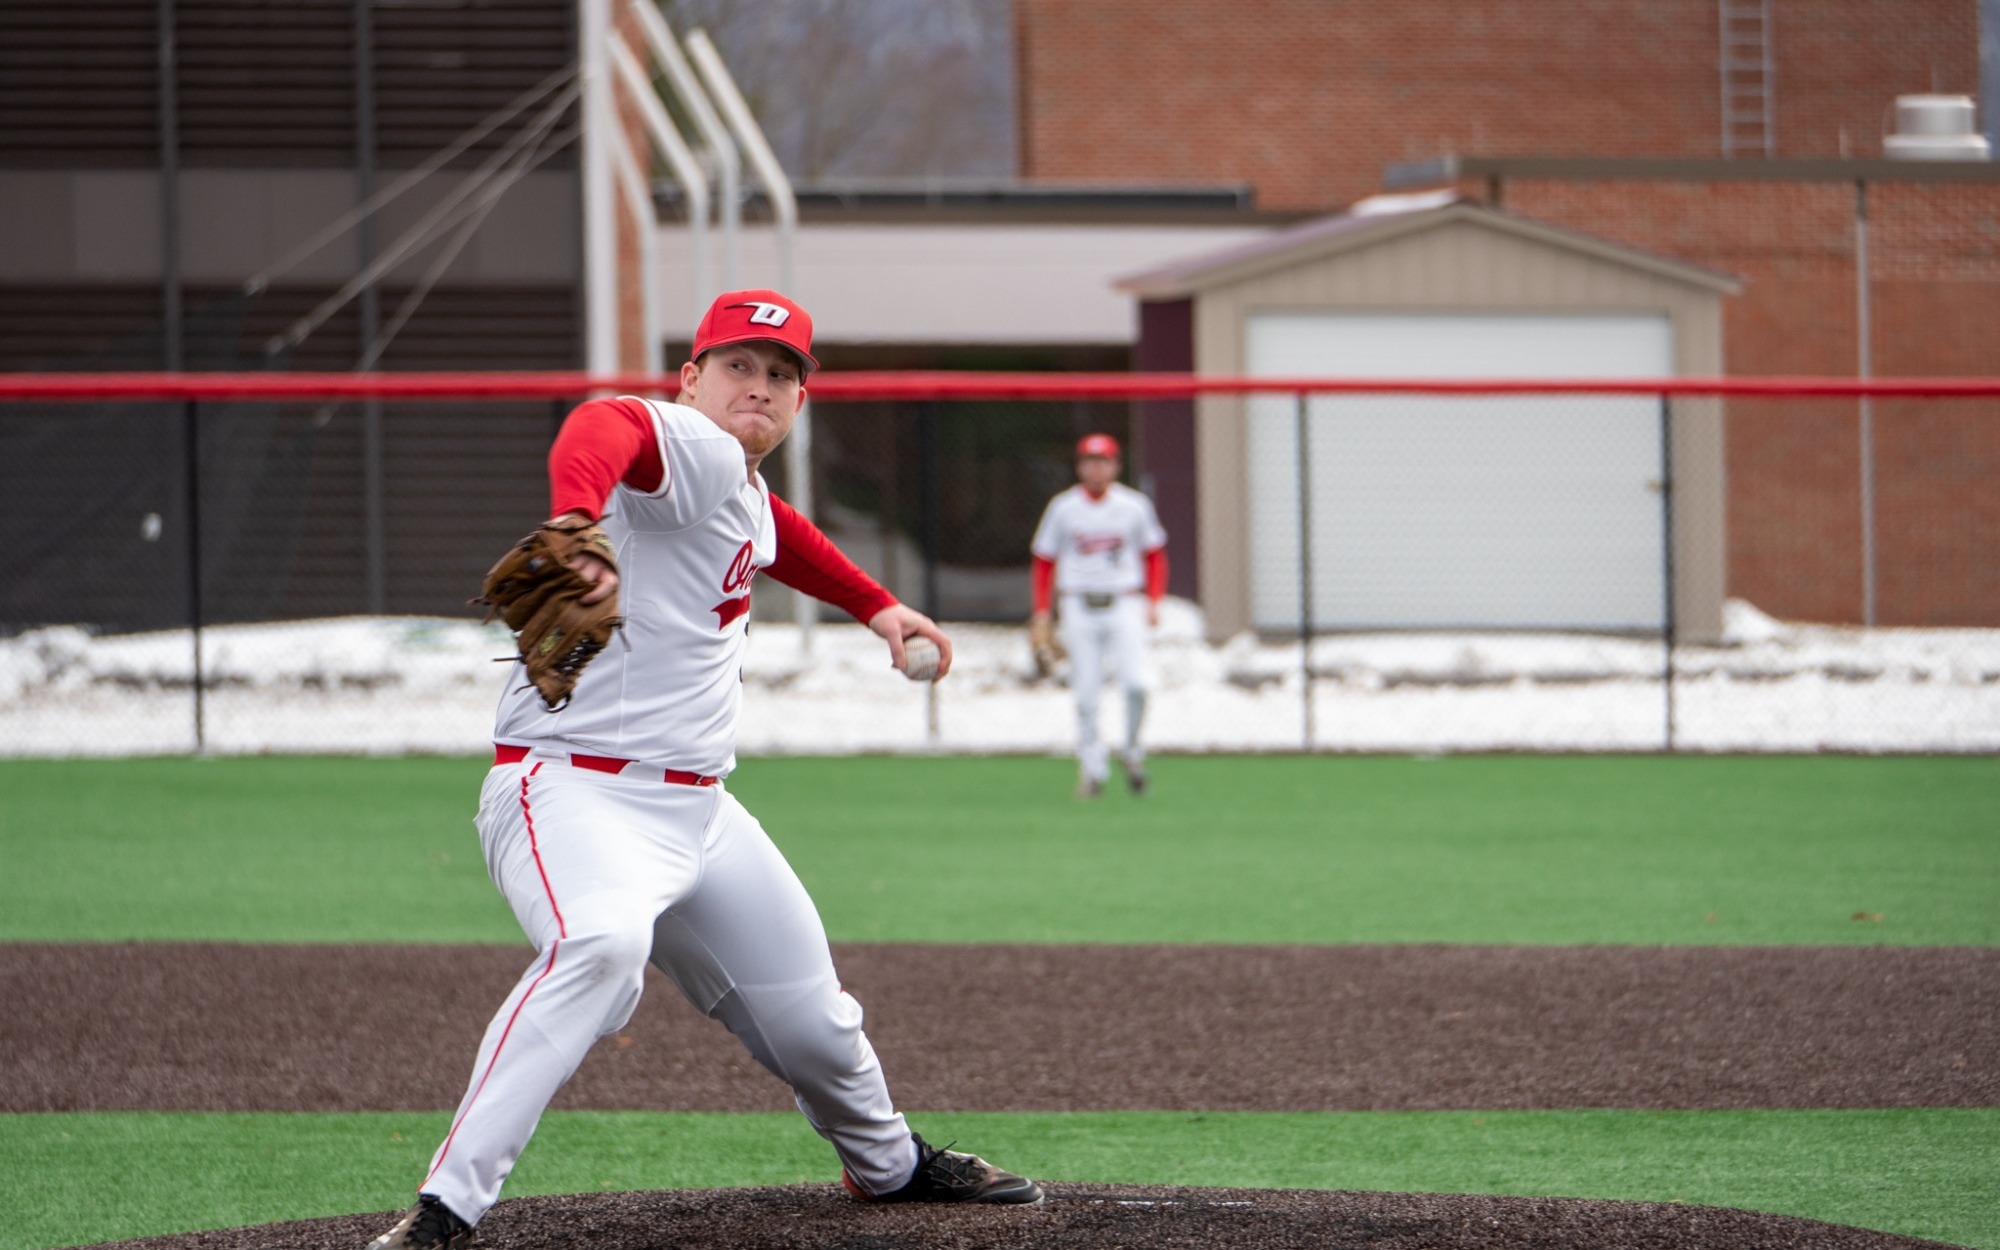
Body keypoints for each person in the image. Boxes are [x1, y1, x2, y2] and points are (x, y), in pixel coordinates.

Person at [367, 290, 1043, 1250]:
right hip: (571, 791)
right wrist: (573, 515)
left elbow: (776, 536)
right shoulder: (689, 445)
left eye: (780, 376)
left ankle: (886, 1166)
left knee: (816, 1024)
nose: (758, 388)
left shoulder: (738, 486)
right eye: (738, 366)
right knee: (598, 950)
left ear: (801, 401)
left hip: (700, 813)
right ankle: (446, 1211)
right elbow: (603, 421)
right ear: (691, 379)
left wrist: (877, 607)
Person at [1029, 433, 1168, 798]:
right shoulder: (1063, 507)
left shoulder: (1133, 505)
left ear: (1116, 466)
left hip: (1124, 602)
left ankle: (1133, 753)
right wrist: (1042, 611)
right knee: (1086, 694)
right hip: (1078, 604)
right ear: (1080, 466)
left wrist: (1154, 600)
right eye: (1090, 460)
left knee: (1137, 684)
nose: (1096, 467)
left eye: (1103, 460)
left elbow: (1154, 553)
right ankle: (1092, 770)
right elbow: (1044, 560)